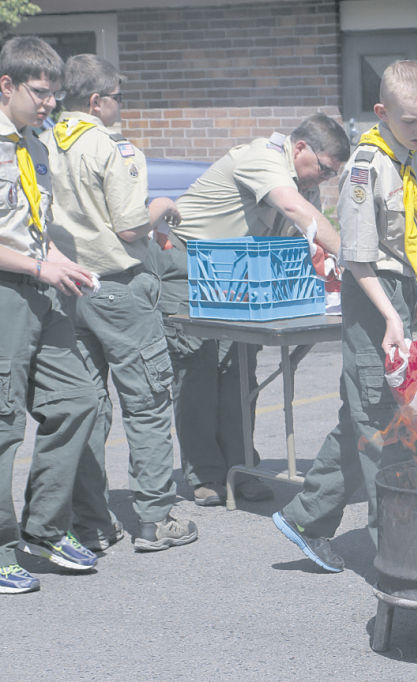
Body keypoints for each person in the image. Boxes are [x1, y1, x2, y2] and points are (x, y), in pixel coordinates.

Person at [273, 60, 417, 572]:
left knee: (368, 414)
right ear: (382, 113)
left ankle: (305, 517)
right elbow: (358, 259)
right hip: (372, 296)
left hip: (398, 290)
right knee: (379, 423)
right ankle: (396, 547)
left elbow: (413, 222)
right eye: (412, 121)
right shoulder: (368, 168)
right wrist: (391, 316)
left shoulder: (413, 150)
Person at [153, 112, 349, 507]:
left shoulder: (304, 182)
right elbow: (294, 211)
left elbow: (305, 239)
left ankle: (241, 470)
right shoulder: (261, 158)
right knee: (198, 374)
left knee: (240, 371)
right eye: (325, 169)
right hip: (190, 263)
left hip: (239, 272)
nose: (324, 179)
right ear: (300, 148)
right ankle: (206, 475)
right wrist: (353, 256)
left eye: (331, 175)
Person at [43, 54, 198, 553]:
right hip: (118, 286)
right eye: (118, 98)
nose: (120, 107)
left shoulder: (41, 142)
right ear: (96, 101)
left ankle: (92, 520)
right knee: (147, 403)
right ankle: (156, 519)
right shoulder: (115, 148)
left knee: (88, 406)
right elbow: (131, 226)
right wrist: (162, 208)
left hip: (66, 288)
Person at [0, 37, 101, 593]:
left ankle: (43, 529)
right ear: (6, 86)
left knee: (79, 400)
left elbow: (32, 228)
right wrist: (41, 270)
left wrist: (64, 264)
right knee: (3, 426)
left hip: (39, 290)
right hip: (5, 294)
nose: (49, 104)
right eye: (39, 93)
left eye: (55, 95)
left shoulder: (34, 147)